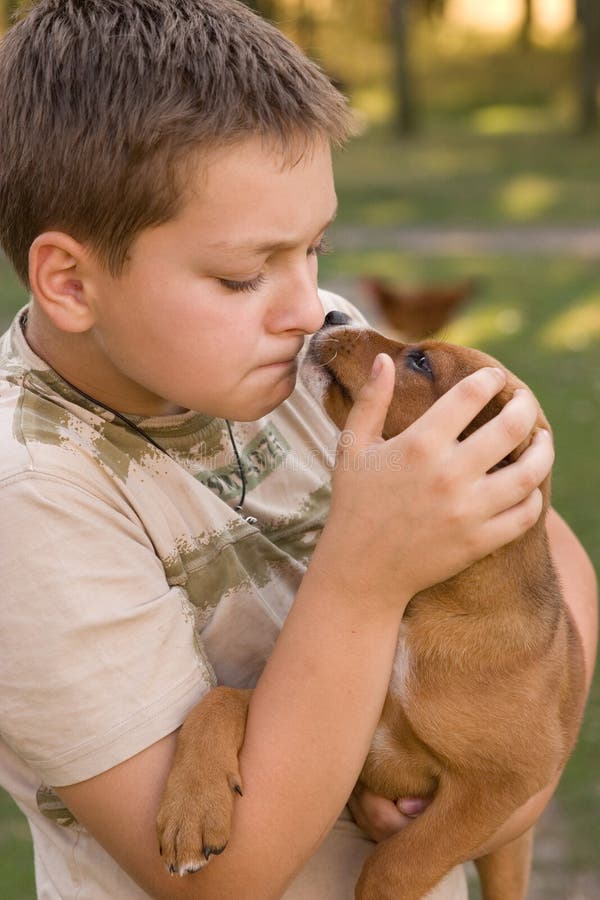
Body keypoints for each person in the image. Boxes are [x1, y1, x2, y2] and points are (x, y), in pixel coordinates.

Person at [0, 2, 596, 899]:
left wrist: (513, 779)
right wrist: (366, 575)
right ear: (71, 283)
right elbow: (220, 878)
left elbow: (550, 558)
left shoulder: (324, 361)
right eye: (244, 275)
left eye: (315, 249)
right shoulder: (31, 497)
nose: (310, 308)